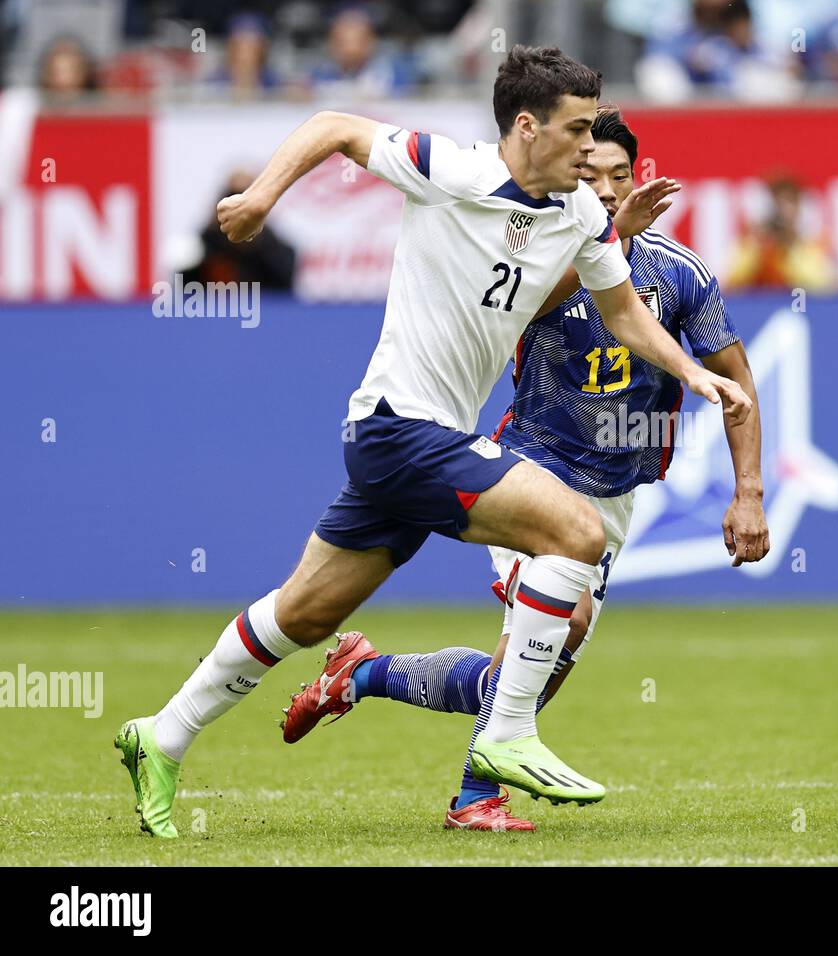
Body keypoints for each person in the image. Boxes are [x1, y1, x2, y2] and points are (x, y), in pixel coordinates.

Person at [114, 46, 751, 839]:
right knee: (576, 533)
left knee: (304, 615)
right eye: (578, 130)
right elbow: (334, 125)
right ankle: (508, 731)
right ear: (527, 126)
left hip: (427, 441)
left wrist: (691, 373)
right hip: (397, 426)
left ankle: (161, 735)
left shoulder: (582, 215)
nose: (592, 151)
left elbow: (623, 314)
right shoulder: (450, 169)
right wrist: (258, 199)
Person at [280, 106, 770, 831]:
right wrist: (615, 236)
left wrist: (749, 493)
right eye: (592, 173)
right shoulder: (538, 245)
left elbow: (736, 381)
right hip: (531, 470)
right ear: (570, 171)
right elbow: (530, 300)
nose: (605, 188)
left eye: (620, 174)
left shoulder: (681, 274)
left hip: (615, 497)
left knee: (525, 683)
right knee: (551, 630)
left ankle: (364, 673)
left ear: (639, 176)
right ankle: (475, 801)